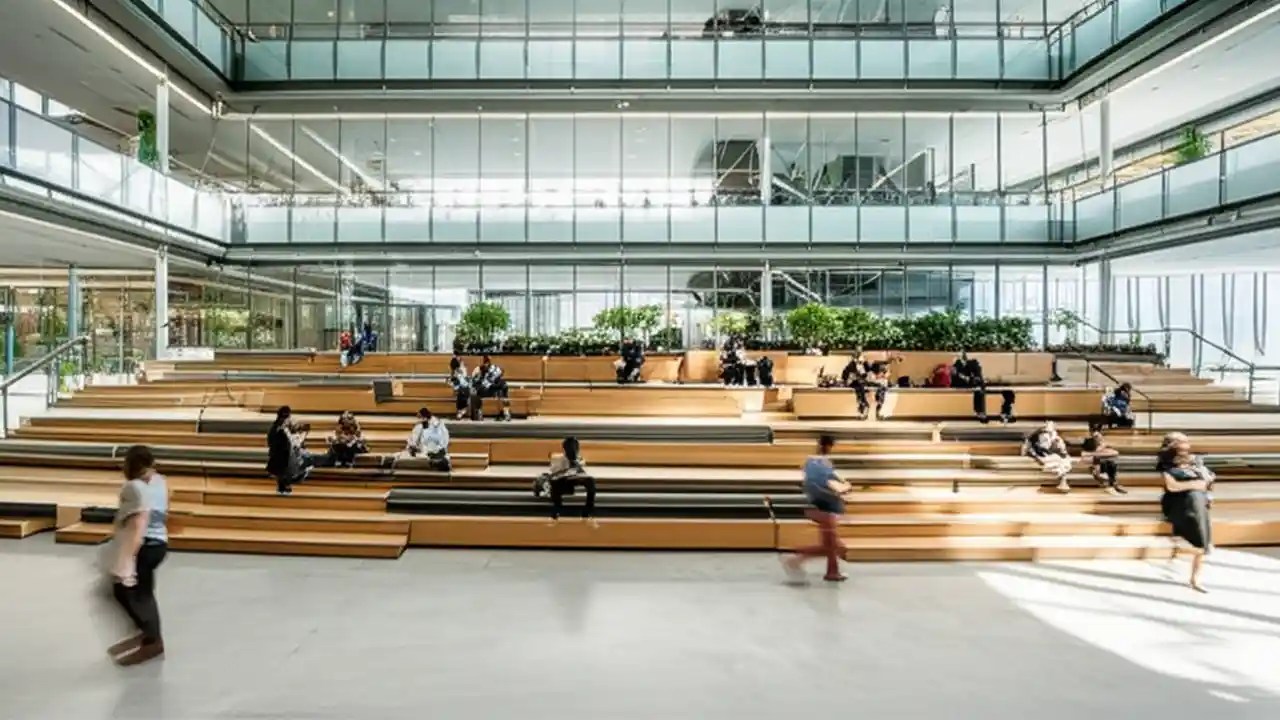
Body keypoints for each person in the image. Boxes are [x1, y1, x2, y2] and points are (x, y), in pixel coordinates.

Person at [102, 445, 168, 666]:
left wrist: (126, 558)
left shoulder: (134, 487)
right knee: (144, 591)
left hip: (144, 544)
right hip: (159, 543)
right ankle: (150, 635)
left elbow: (138, 523)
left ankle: (149, 636)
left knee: (124, 589)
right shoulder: (160, 481)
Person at [783, 434, 851, 583]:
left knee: (832, 544)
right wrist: (844, 488)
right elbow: (829, 483)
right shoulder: (823, 463)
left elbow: (817, 481)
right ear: (828, 446)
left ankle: (832, 572)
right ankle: (796, 559)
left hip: (816, 504)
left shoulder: (811, 461)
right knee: (831, 545)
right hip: (825, 506)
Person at [1160, 439, 1214, 592]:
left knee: (1202, 544)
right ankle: (1179, 554)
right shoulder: (1169, 470)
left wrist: (1202, 483)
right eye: (1182, 451)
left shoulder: (1198, 468)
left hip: (1199, 509)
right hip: (1181, 507)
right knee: (1194, 543)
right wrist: (1195, 485)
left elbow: (1208, 483)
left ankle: (1195, 579)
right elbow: (1173, 487)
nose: (1187, 454)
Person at [533, 437, 597, 527]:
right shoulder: (557, 459)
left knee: (591, 481)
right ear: (564, 450)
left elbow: (583, 473)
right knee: (555, 483)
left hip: (573, 482)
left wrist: (577, 466)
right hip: (561, 483)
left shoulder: (579, 459)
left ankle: (587, 514)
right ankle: (554, 515)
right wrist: (566, 470)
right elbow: (554, 475)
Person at [266, 405, 310, 495]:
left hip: (284, 454)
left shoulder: (279, 427)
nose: (285, 419)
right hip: (282, 454)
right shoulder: (278, 428)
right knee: (284, 470)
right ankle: (284, 486)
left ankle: (284, 486)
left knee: (285, 470)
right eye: (285, 417)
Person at [1024, 421, 1072, 492]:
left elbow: (1063, 452)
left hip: (1051, 457)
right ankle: (1063, 482)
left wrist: (1059, 447)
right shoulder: (1038, 439)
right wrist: (1037, 457)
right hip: (1045, 457)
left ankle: (1063, 482)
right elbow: (1029, 450)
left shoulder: (1056, 440)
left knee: (1061, 461)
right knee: (1059, 460)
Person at [842, 351, 888, 420]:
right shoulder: (852, 365)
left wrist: (877, 377)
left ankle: (877, 406)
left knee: (882, 386)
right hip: (855, 382)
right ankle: (864, 407)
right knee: (860, 387)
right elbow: (846, 376)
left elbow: (866, 375)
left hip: (863, 381)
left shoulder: (866, 364)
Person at [404, 407, 451, 471]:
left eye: (420, 417)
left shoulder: (437, 425)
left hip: (431, 452)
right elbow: (412, 441)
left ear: (424, 417)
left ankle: (436, 461)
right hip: (426, 453)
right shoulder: (420, 426)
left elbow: (444, 439)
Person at [1082, 429, 1126, 495]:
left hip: (1101, 466)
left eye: (1099, 436)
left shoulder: (1103, 445)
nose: (1099, 437)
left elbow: (1115, 453)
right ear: (1093, 438)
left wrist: (1099, 451)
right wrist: (1098, 452)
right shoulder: (1091, 446)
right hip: (1095, 467)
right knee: (1109, 464)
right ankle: (1112, 487)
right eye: (1096, 436)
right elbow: (1091, 457)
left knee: (1111, 464)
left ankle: (1113, 486)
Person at [472, 355, 511, 421]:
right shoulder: (478, 369)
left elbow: (501, 372)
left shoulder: (495, 368)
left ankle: (506, 412)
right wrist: (479, 375)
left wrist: (495, 379)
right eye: (485, 361)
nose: (486, 363)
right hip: (484, 389)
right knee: (476, 390)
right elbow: (474, 379)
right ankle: (478, 413)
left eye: (488, 361)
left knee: (504, 385)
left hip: (493, 388)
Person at [448, 354, 472, 420]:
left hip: (463, 389)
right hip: (463, 389)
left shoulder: (459, 371)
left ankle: (461, 412)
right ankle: (461, 412)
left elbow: (460, 381)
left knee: (462, 397)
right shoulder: (457, 371)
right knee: (461, 398)